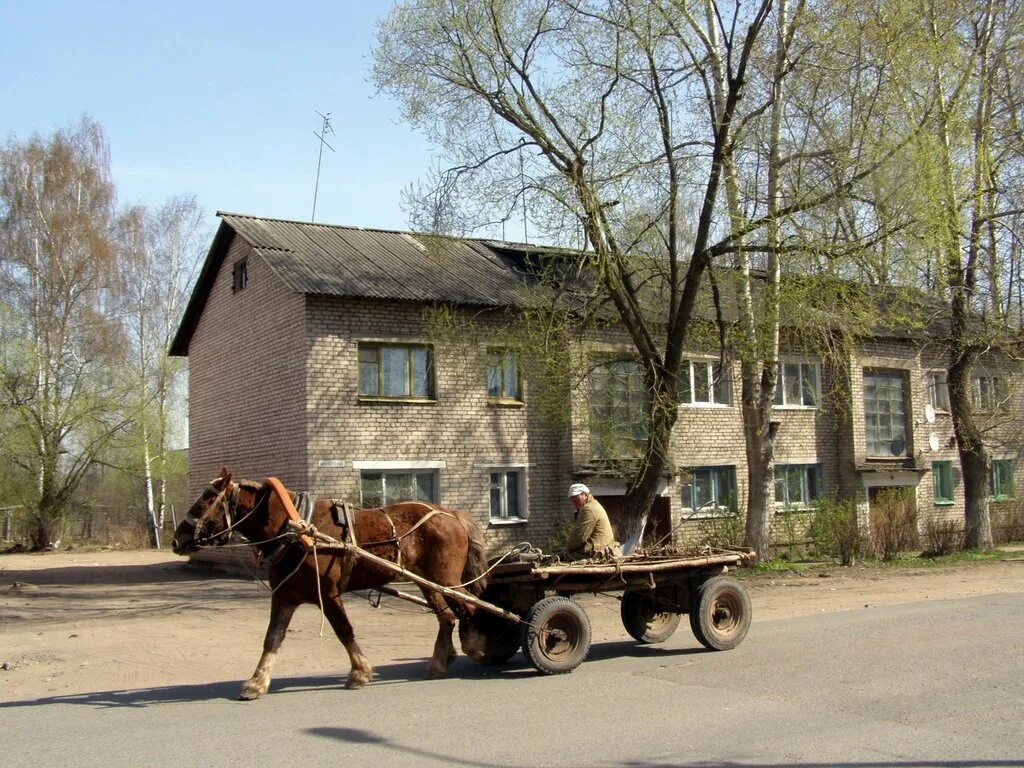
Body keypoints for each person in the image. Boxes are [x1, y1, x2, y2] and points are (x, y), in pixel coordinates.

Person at [563, 483, 622, 561]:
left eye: (576, 497)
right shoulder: (591, 506)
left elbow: (579, 536)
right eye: (571, 498)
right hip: (600, 549)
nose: (573, 501)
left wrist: (566, 550)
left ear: (585, 494)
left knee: (561, 558)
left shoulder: (589, 509)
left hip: (599, 553)